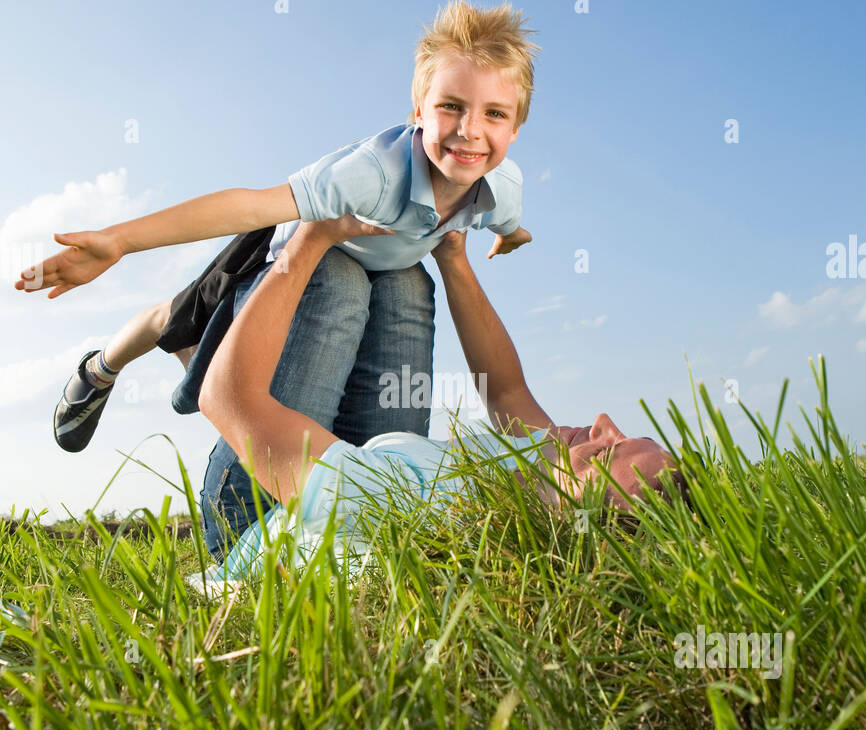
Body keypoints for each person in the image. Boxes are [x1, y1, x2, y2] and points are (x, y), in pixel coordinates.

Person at [15, 0, 537, 555]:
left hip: (386, 269)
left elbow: (507, 222)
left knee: (410, 284)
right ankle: (99, 370)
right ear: (418, 109)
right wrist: (119, 239)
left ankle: (355, 506)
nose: (468, 131)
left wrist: (509, 237)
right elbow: (250, 204)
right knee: (174, 318)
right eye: (450, 107)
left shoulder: (501, 187)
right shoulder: (368, 175)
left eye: (494, 115)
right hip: (292, 258)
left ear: (516, 126)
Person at [188, 212, 682, 595]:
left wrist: (309, 239)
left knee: (333, 273)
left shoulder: (401, 508)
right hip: (362, 457)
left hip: (259, 510)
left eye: (600, 453)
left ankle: (185, 325)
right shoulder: (536, 470)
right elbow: (506, 390)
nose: (602, 423)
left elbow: (229, 400)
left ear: (551, 519)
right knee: (408, 280)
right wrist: (454, 258)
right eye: (626, 435)